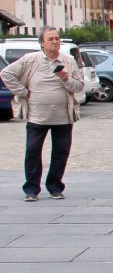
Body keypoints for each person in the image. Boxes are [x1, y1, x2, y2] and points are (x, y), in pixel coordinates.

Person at [0, 28, 84, 201]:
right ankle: (31, 189)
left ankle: (55, 186)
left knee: (61, 152)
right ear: (42, 43)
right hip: (37, 116)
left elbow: (79, 86)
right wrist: (22, 91)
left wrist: (66, 79)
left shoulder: (68, 61)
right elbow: (6, 73)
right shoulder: (31, 59)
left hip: (63, 116)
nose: (55, 42)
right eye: (50, 39)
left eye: (57, 38)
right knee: (32, 150)